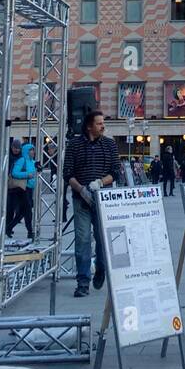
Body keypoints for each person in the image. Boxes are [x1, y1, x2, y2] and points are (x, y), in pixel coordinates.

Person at [63, 111, 122, 297]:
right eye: (99, 123)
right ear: (89, 126)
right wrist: (81, 189)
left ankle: (102, 269)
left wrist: (100, 183)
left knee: (103, 239)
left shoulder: (110, 144)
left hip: (103, 200)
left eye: (103, 123)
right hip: (81, 200)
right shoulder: (74, 145)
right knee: (83, 240)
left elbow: (116, 172)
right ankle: (83, 281)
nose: (103, 126)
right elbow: (67, 173)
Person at [7, 141, 37, 239]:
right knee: (28, 210)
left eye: (33, 150)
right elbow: (14, 173)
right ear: (26, 151)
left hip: (29, 188)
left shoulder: (33, 162)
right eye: (30, 150)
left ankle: (9, 227)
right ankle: (30, 231)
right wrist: (27, 175)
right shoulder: (21, 160)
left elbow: (34, 173)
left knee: (23, 212)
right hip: (22, 189)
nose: (33, 152)